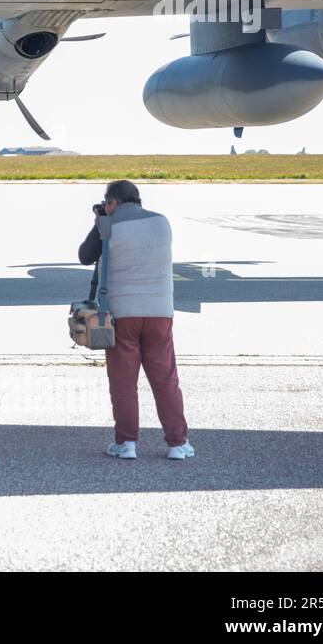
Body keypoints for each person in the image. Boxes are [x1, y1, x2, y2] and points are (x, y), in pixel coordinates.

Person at [78, 180, 193, 461]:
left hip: (121, 316)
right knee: (166, 380)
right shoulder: (161, 222)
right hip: (159, 313)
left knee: (123, 383)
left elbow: (85, 256)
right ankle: (178, 444)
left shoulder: (109, 226)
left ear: (113, 202)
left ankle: (126, 443)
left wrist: (100, 222)